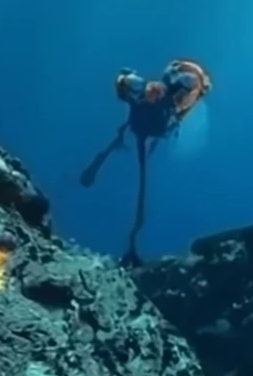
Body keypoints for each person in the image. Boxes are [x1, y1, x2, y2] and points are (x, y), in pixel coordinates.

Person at [80, 58, 212, 266]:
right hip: (142, 131)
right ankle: (132, 246)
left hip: (142, 131)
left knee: (141, 190)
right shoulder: (158, 95)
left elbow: (128, 87)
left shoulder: (166, 98)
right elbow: (127, 85)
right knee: (140, 188)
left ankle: (132, 245)